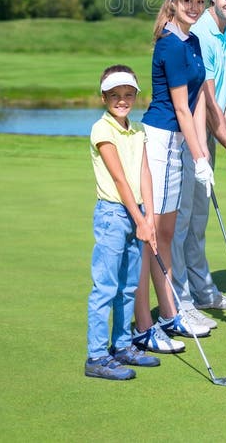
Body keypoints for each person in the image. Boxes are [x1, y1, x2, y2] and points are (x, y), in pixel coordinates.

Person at [133, 0, 216, 354]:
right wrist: (198, 157)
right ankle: (145, 324)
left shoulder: (192, 41)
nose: (195, 8)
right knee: (154, 235)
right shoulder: (169, 44)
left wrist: (201, 153)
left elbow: (197, 104)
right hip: (161, 141)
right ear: (173, 3)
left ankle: (169, 314)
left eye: (200, 2)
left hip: (179, 142)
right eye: (188, 1)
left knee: (165, 234)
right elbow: (180, 108)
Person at [171, 0, 226, 326]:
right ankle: (181, 300)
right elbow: (209, 98)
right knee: (183, 219)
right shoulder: (200, 31)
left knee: (199, 218)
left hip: (212, 135)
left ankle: (203, 292)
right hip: (189, 136)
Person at [85, 64, 159, 381]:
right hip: (113, 215)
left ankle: (122, 346)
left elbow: (144, 174)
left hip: (137, 212)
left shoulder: (138, 130)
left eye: (128, 94)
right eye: (114, 94)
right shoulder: (101, 130)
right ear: (104, 97)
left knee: (128, 286)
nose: (122, 100)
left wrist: (150, 217)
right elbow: (119, 179)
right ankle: (96, 356)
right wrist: (139, 219)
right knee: (106, 287)